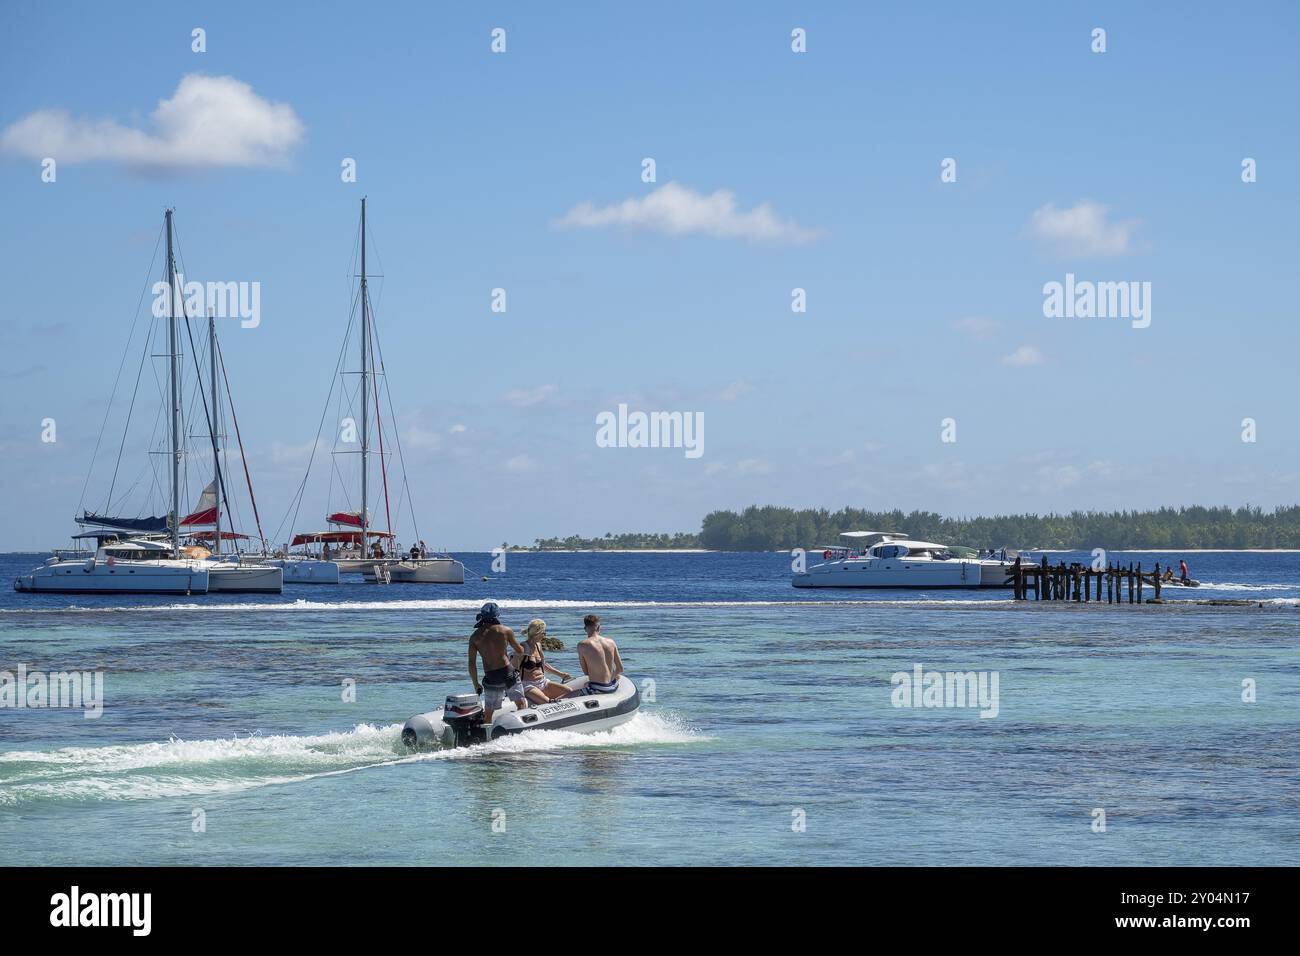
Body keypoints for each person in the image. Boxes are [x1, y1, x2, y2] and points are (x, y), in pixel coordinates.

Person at [468, 601, 527, 722]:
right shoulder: (505, 630)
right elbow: (519, 651)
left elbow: (471, 663)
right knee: (521, 704)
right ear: (496, 616)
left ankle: (486, 735)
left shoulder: (475, 637)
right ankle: (521, 730)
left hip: (491, 677)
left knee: (488, 712)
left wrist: (476, 684)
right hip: (508, 673)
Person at [511, 619, 573, 704]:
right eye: (544, 633)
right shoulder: (523, 648)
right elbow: (513, 669)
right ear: (537, 633)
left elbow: (543, 665)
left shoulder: (538, 645)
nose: (544, 636)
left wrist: (560, 674)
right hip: (528, 685)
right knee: (547, 702)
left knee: (570, 692)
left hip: (543, 682)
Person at [563, 614, 624, 697]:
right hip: (612, 686)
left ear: (585, 628)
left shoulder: (582, 645)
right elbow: (620, 669)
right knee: (618, 677)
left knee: (562, 698)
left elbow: (586, 672)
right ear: (598, 627)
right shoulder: (611, 642)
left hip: (597, 688)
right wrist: (609, 679)